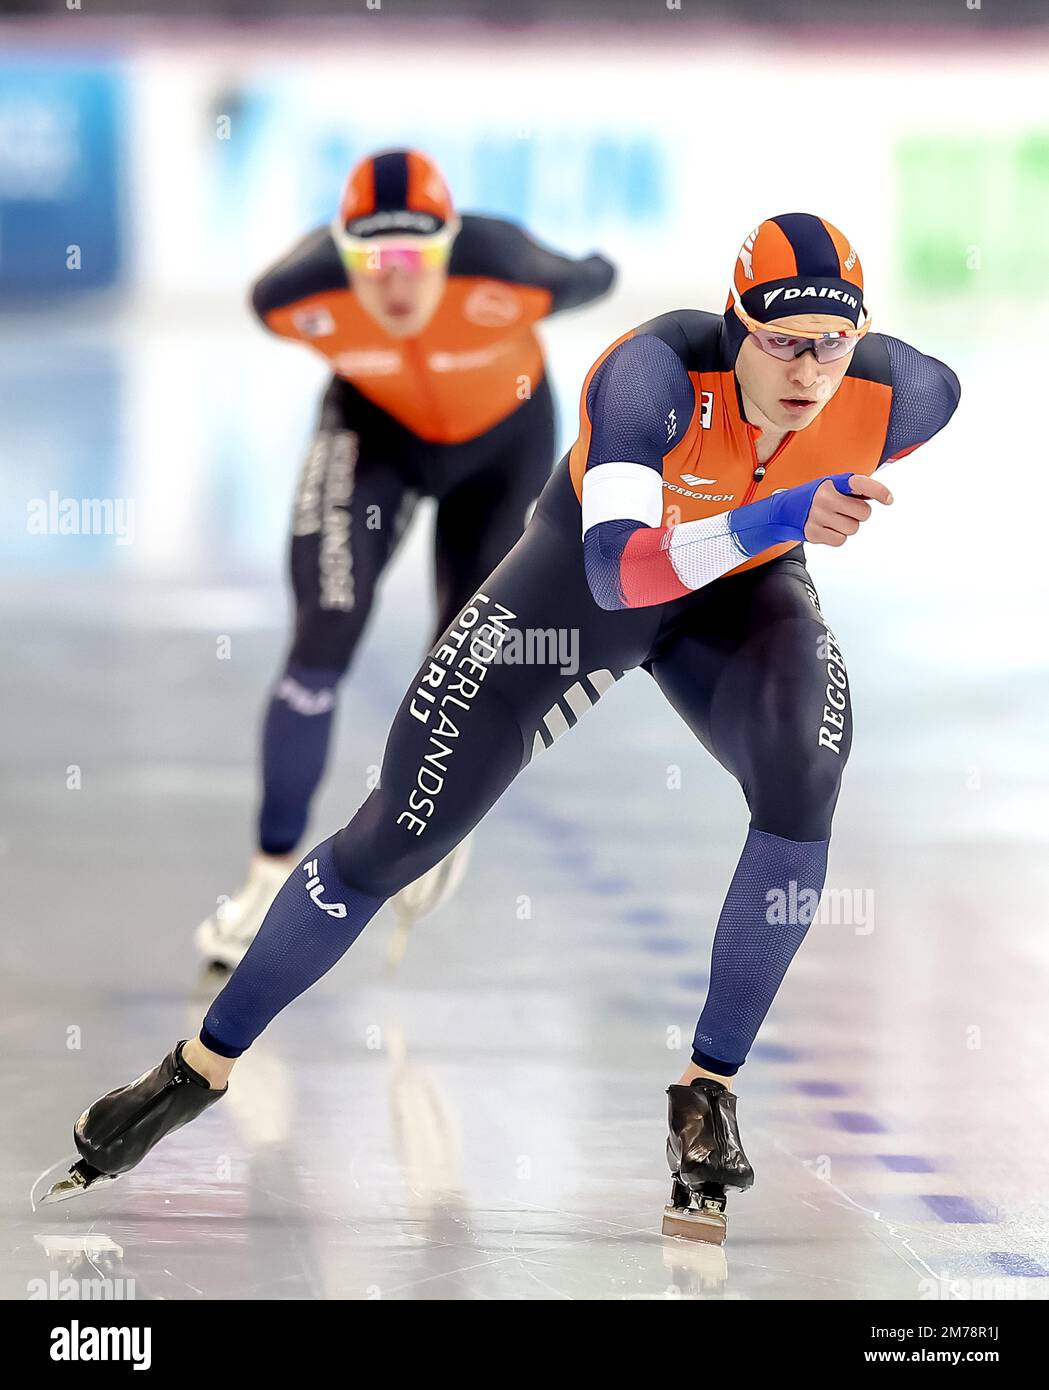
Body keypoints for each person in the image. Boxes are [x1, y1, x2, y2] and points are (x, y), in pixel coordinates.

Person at [47, 214, 960, 1242]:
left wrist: (771, 531)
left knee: (804, 778)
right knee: (394, 834)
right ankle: (195, 1068)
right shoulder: (648, 376)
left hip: (742, 594)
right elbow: (621, 570)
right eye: (782, 340)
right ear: (734, 323)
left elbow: (828, 457)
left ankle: (707, 1090)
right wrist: (780, 515)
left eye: (830, 342)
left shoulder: (907, 392)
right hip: (582, 584)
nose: (807, 369)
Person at [196, 147, 616, 968]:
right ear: (341, 255)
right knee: (324, 634)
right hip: (374, 435)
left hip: (502, 449)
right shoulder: (292, 295)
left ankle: (440, 815)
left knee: (462, 661)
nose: (394, 285)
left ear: (448, 248)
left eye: (414, 260)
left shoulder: (510, 268)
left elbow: (595, 273)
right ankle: (266, 877)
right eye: (371, 263)